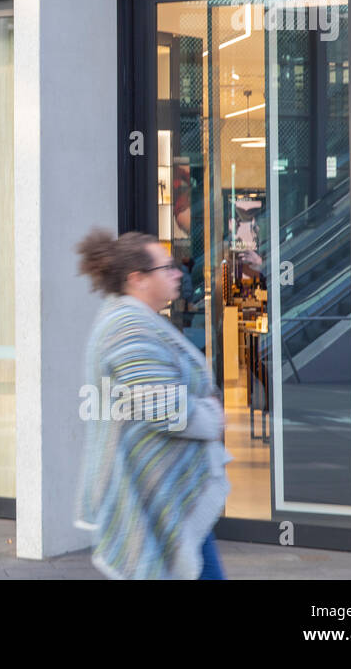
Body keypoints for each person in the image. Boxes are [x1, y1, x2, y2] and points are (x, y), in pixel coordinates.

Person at [74, 227, 230, 580]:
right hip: (154, 493)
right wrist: (211, 415)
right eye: (168, 268)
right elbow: (165, 409)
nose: (179, 274)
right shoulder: (127, 326)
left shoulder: (135, 319)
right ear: (138, 279)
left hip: (165, 494)